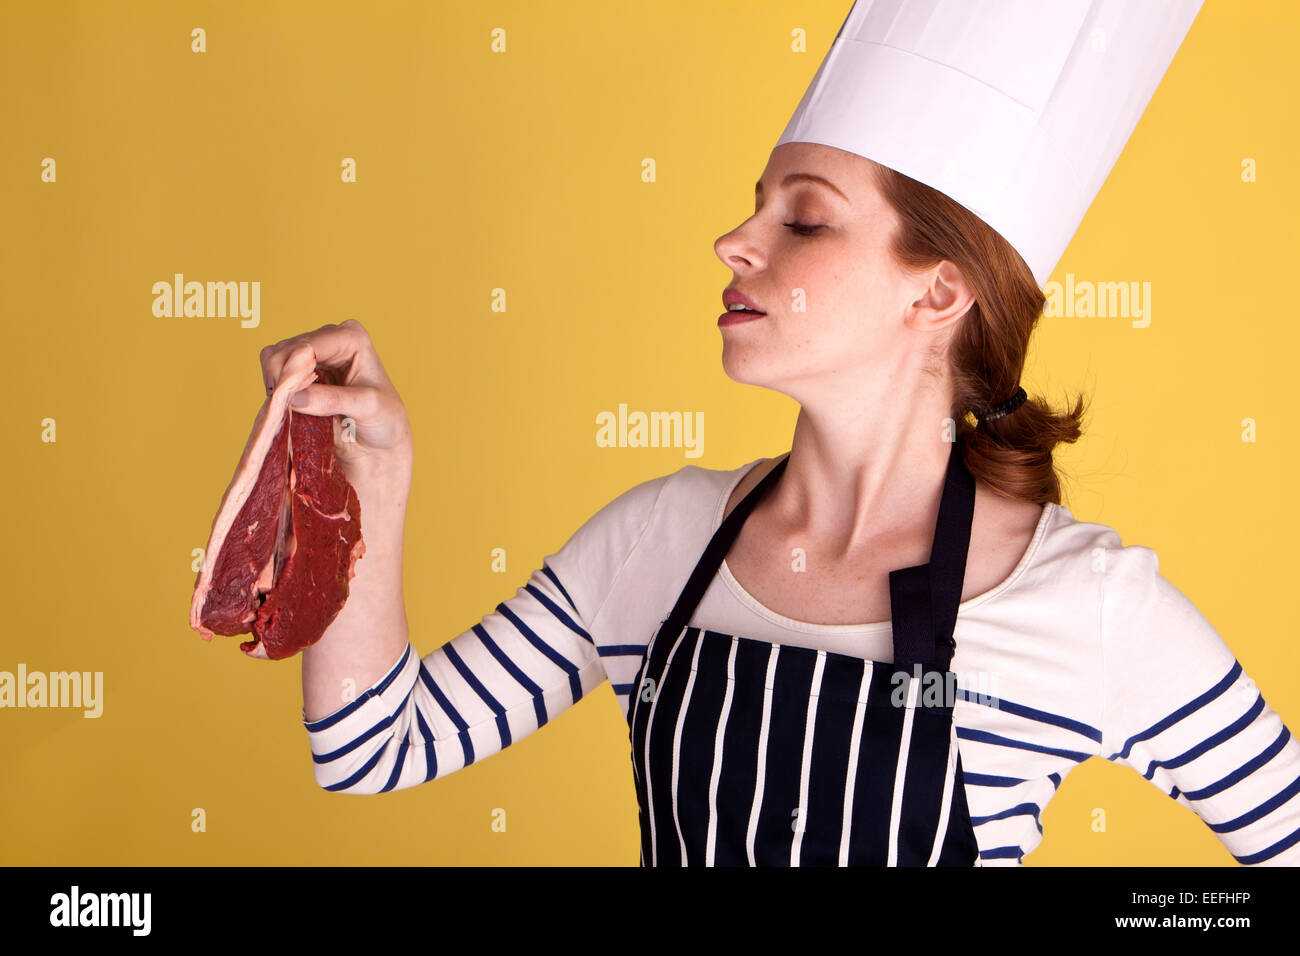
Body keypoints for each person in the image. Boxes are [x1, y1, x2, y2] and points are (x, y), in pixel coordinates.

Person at [257, 1, 1300, 865]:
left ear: (937, 293)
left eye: (801, 219)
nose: (733, 240)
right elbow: (371, 745)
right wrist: (366, 476)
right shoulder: (659, 540)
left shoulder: (1083, 603)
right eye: (757, 205)